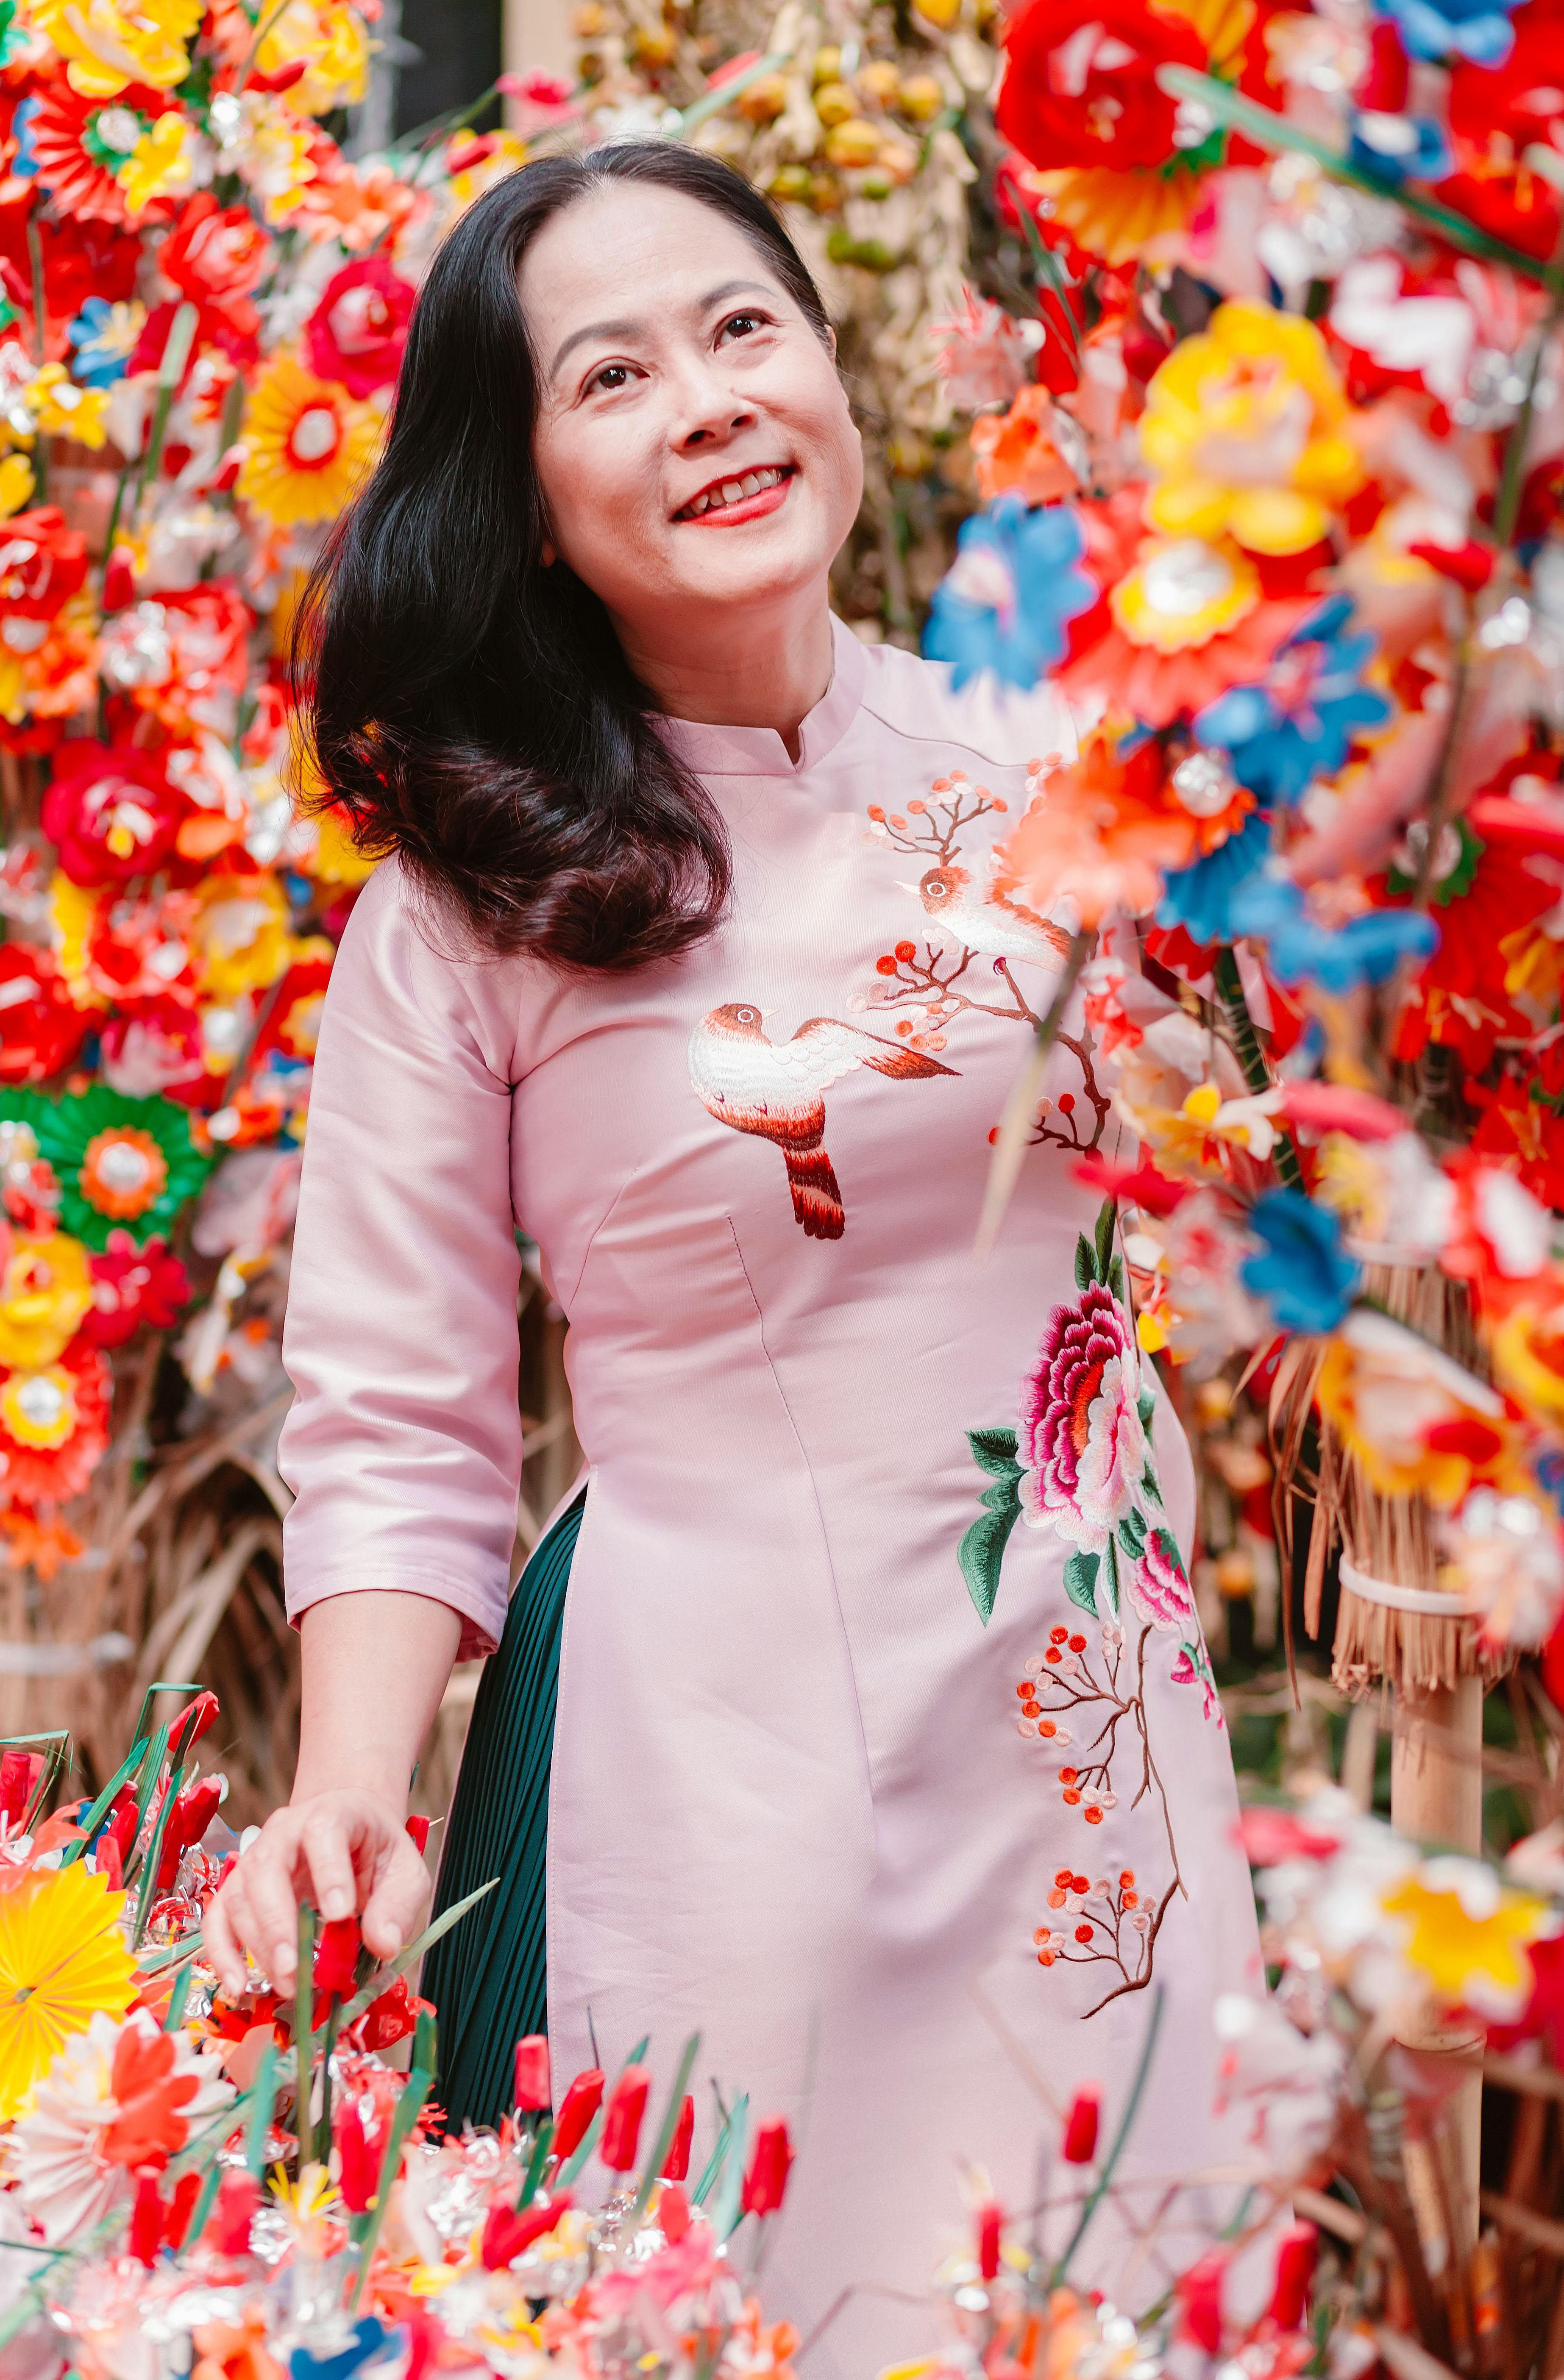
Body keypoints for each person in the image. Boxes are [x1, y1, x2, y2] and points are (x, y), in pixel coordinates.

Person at [201, 141, 1263, 2372]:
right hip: (712, 1780)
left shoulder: (1069, 755)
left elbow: (1269, 1149)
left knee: (1119, 2296)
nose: (705, 398)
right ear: (528, 490)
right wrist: (346, 1798)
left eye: (743, 327)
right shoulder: (469, 908)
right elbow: (396, 1420)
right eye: (612, 371)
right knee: (730, 2306)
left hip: (1092, 1747)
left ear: (835, 381)